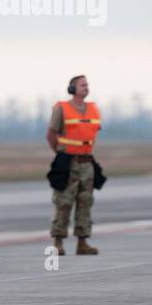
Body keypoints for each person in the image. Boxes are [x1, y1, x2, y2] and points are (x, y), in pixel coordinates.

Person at [46, 75, 102, 256]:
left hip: (86, 163)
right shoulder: (62, 109)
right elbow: (51, 134)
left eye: (88, 84)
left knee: (85, 201)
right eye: (82, 85)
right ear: (72, 89)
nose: (86, 87)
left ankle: (82, 242)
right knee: (63, 202)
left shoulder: (93, 109)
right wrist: (60, 153)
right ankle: (58, 242)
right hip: (67, 163)